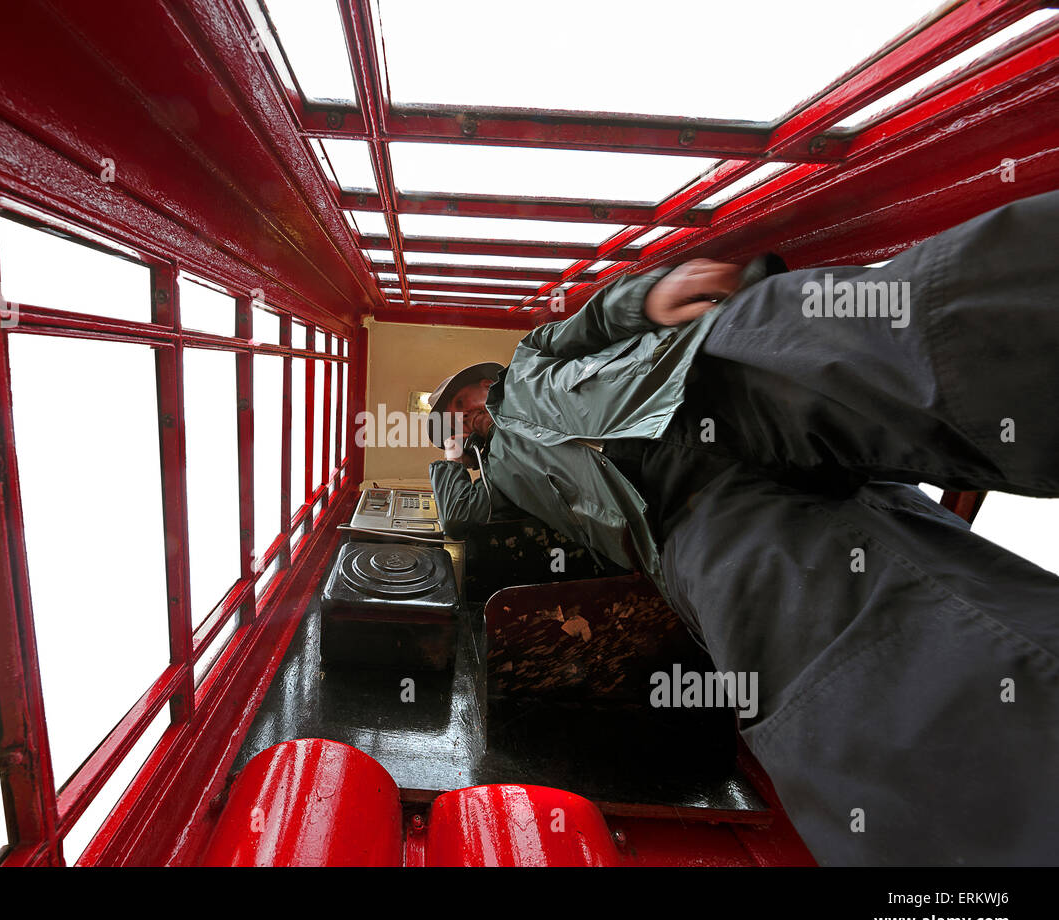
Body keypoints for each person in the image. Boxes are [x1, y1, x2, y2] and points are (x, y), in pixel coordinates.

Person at [426, 187, 1059, 866]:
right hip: (679, 515)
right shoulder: (499, 480)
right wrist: (448, 458)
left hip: (696, 376)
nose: (464, 413)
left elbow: (596, 318)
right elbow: (460, 517)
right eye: (453, 418)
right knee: (826, 645)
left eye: (462, 401)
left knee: (909, 342)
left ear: (482, 384)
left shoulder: (530, 359)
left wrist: (651, 296)